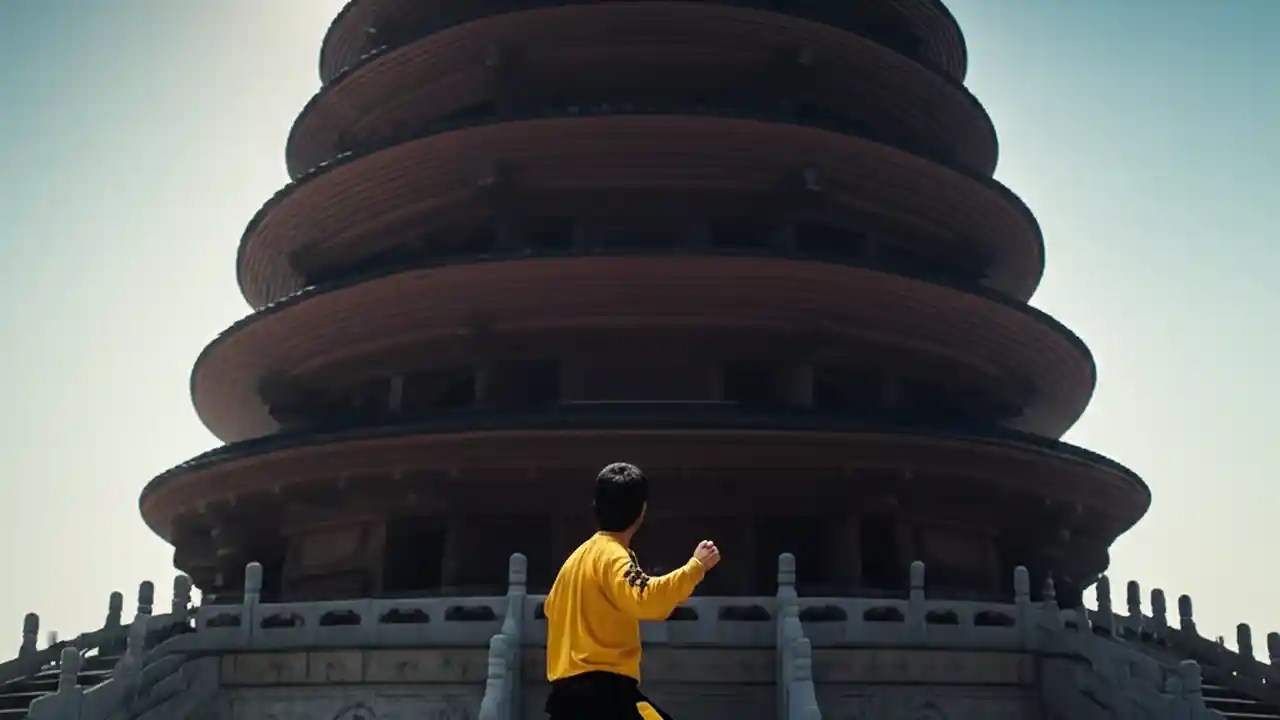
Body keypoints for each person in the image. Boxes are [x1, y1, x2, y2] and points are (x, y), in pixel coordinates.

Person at [543, 462, 721, 720]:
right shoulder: (613, 556)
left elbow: (551, 610)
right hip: (603, 698)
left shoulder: (573, 562)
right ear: (642, 511)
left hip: (565, 701)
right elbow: (646, 598)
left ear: (596, 505)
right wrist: (696, 567)